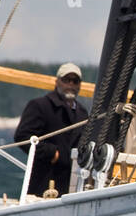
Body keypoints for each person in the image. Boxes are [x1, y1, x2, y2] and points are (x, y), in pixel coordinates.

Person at [14, 62, 89, 196]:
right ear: (57, 82)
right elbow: (22, 136)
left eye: (75, 81)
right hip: (45, 181)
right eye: (66, 80)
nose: (70, 85)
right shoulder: (40, 106)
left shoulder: (82, 113)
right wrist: (53, 154)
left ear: (79, 85)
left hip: (72, 183)